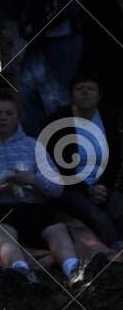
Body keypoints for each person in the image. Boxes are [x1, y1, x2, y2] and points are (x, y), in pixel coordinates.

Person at [0, 87, 85, 284]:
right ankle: (21, 273)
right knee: (2, 230)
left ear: (18, 118)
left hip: (34, 206)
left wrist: (32, 180)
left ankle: (75, 271)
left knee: (56, 228)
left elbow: (57, 188)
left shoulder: (34, 146)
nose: (3, 118)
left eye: (9, 113)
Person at [17, 0, 81, 134]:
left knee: (55, 101)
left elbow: (60, 8)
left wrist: (34, 28)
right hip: (45, 43)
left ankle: (62, 150)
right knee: (30, 97)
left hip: (56, 43)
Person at [50, 69, 123, 249]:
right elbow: (58, 164)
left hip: (102, 184)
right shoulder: (58, 121)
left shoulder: (108, 120)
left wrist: (103, 186)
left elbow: (114, 160)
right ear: (71, 95)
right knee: (96, 216)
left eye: (90, 89)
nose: (85, 93)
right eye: (79, 89)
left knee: (117, 204)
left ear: (99, 95)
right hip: (71, 186)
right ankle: (113, 249)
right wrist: (86, 189)